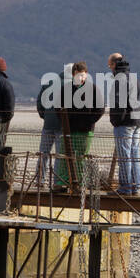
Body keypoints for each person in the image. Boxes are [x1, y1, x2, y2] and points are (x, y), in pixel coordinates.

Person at [56, 61, 104, 189]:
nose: (80, 78)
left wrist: (89, 121)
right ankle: (62, 183)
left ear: (86, 75)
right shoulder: (65, 89)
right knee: (65, 156)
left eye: (82, 75)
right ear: (73, 75)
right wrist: (64, 122)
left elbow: (100, 109)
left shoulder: (93, 88)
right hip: (68, 129)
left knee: (81, 158)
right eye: (77, 75)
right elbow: (57, 107)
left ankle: (82, 183)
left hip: (85, 131)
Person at [107, 52, 140, 194]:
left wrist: (115, 121)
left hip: (125, 123)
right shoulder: (134, 78)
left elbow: (118, 104)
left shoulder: (119, 80)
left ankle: (125, 187)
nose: (110, 68)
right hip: (137, 120)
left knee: (124, 155)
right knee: (134, 154)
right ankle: (135, 185)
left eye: (109, 65)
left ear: (114, 64)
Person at [36, 67, 65, 187]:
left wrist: (45, 115)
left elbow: (39, 102)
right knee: (59, 155)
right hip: (62, 125)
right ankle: (57, 182)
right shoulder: (71, 85)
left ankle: (40, 180)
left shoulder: (49, 83)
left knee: (43, 153)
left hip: (48, 123)